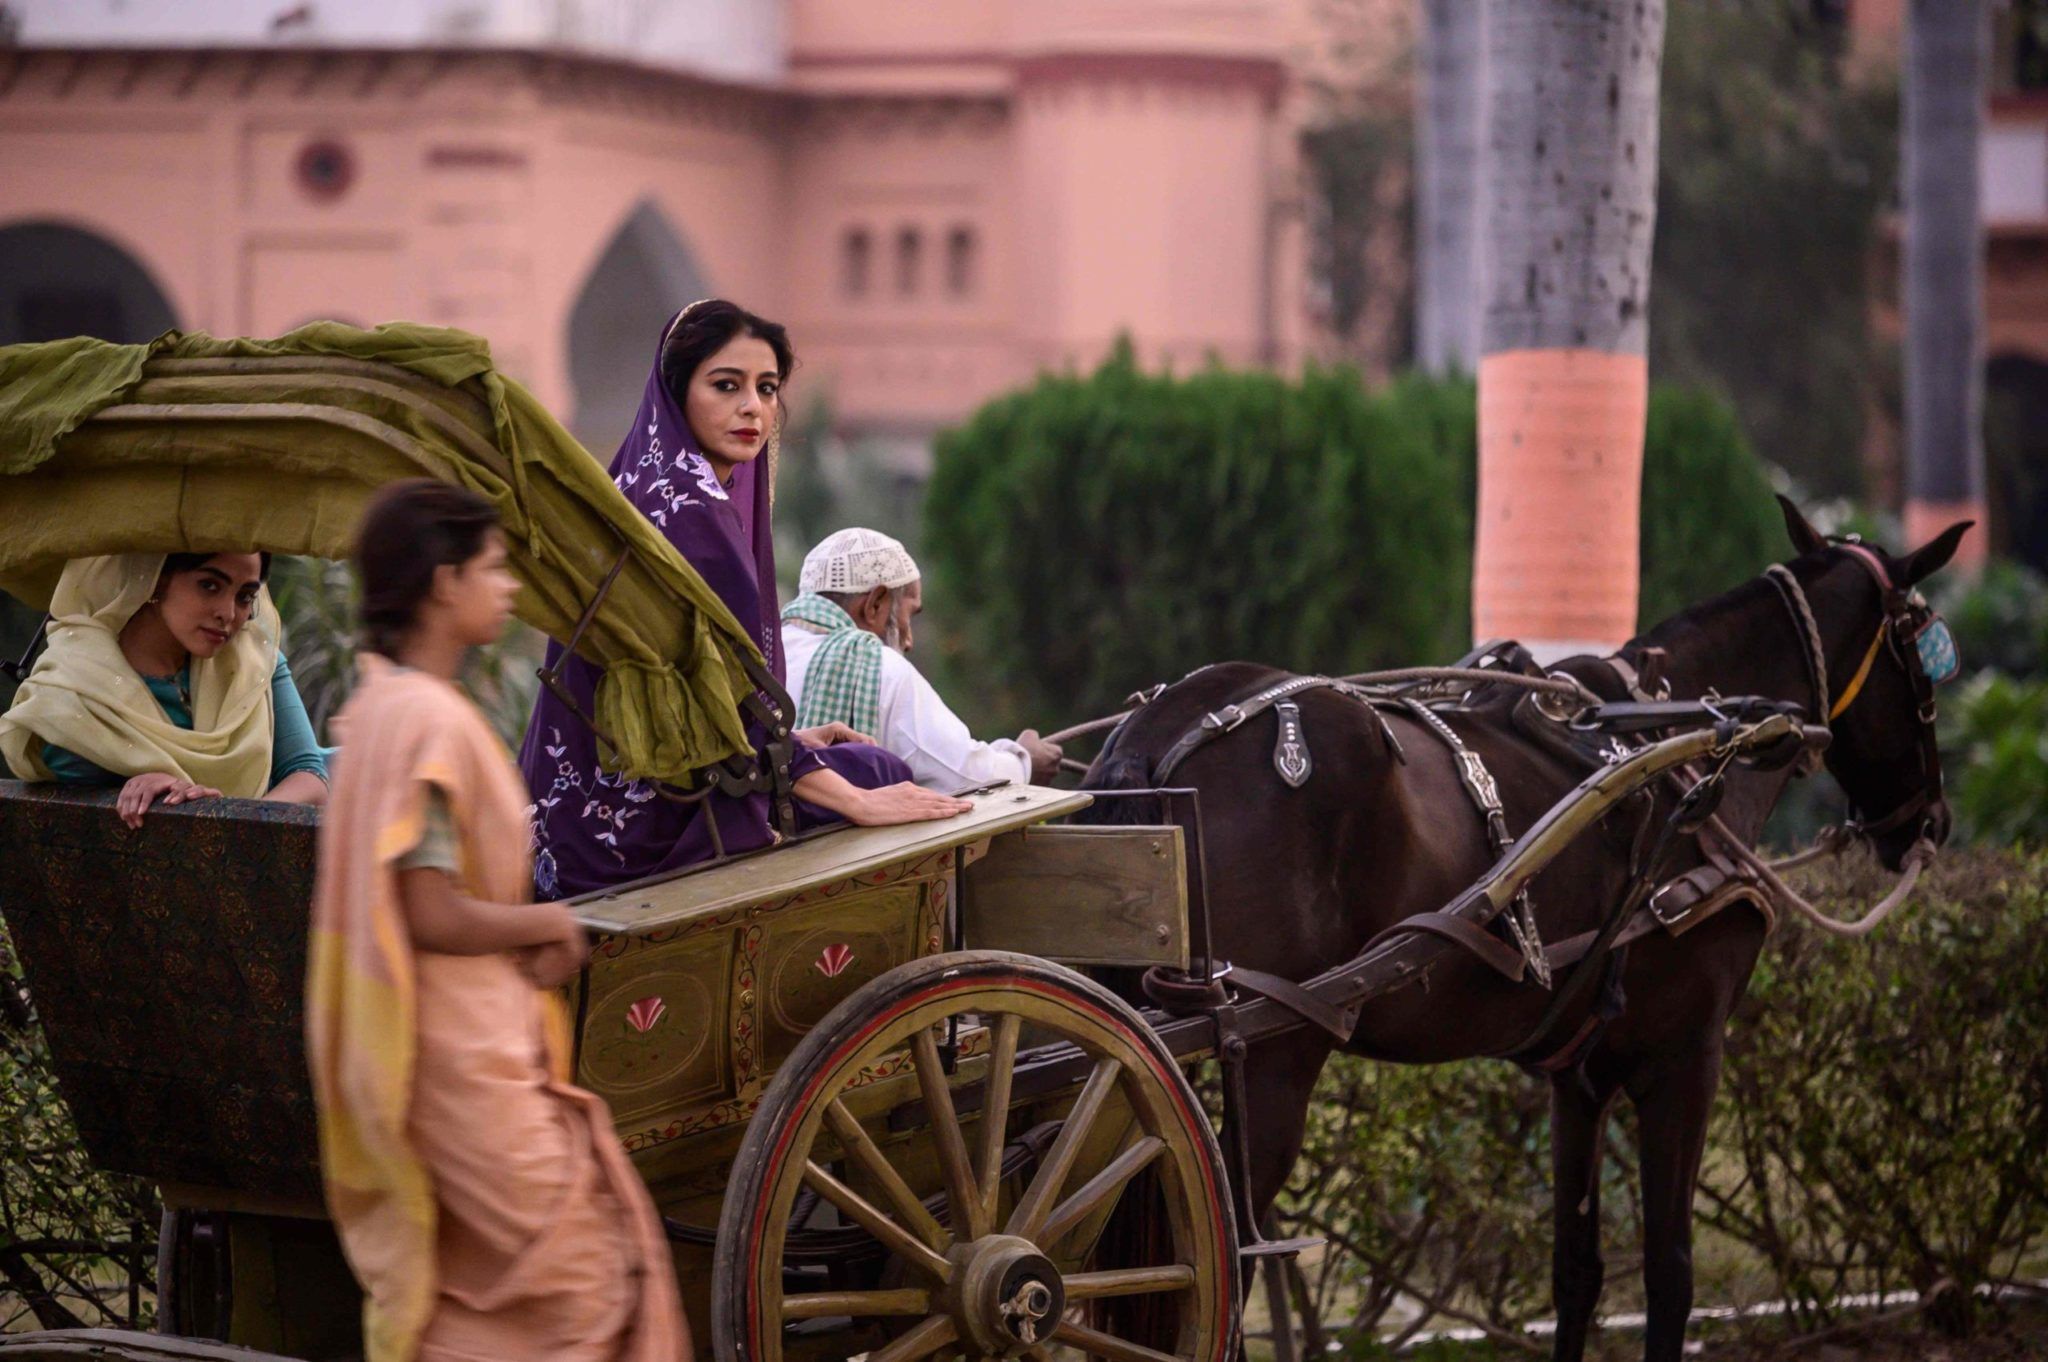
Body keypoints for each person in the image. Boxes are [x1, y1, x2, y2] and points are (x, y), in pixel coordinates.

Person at [307, 479, 687, 1362]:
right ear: (444, 583)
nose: (509, 586)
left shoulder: (376, 711)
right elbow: (428, 910)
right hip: (457, 1047)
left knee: (478, 1298)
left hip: (438, 1041)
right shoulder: (426, 720)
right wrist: (546, 925)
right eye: (493, 566)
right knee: (574, 1288)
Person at [519, 301, 970, 898]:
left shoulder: (635, 485)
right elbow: (716, 717)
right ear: (676, 391)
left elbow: (692, 698)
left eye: (767, 388)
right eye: (726, 386)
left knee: (851, 766)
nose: (752, 408)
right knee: (880, 770)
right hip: (645, 828)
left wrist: (795, 746)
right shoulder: (693, 517)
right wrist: (860, 802)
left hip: (567, 820)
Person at [0, 551, 329, 828]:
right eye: (209, 585)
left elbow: (310, 778)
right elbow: (104, 838)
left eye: (244, 597)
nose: (228, 614)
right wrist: (152, 796)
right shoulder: (73, 695)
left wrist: (235, 823)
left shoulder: (251, 661)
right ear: (155, 576)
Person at [781, 528, 1063, 791]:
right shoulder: (879, 667)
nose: (909, 641)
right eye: (909, 614)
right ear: (875, 604)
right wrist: (1025, 763)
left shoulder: (763, 655)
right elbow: (966, 775)